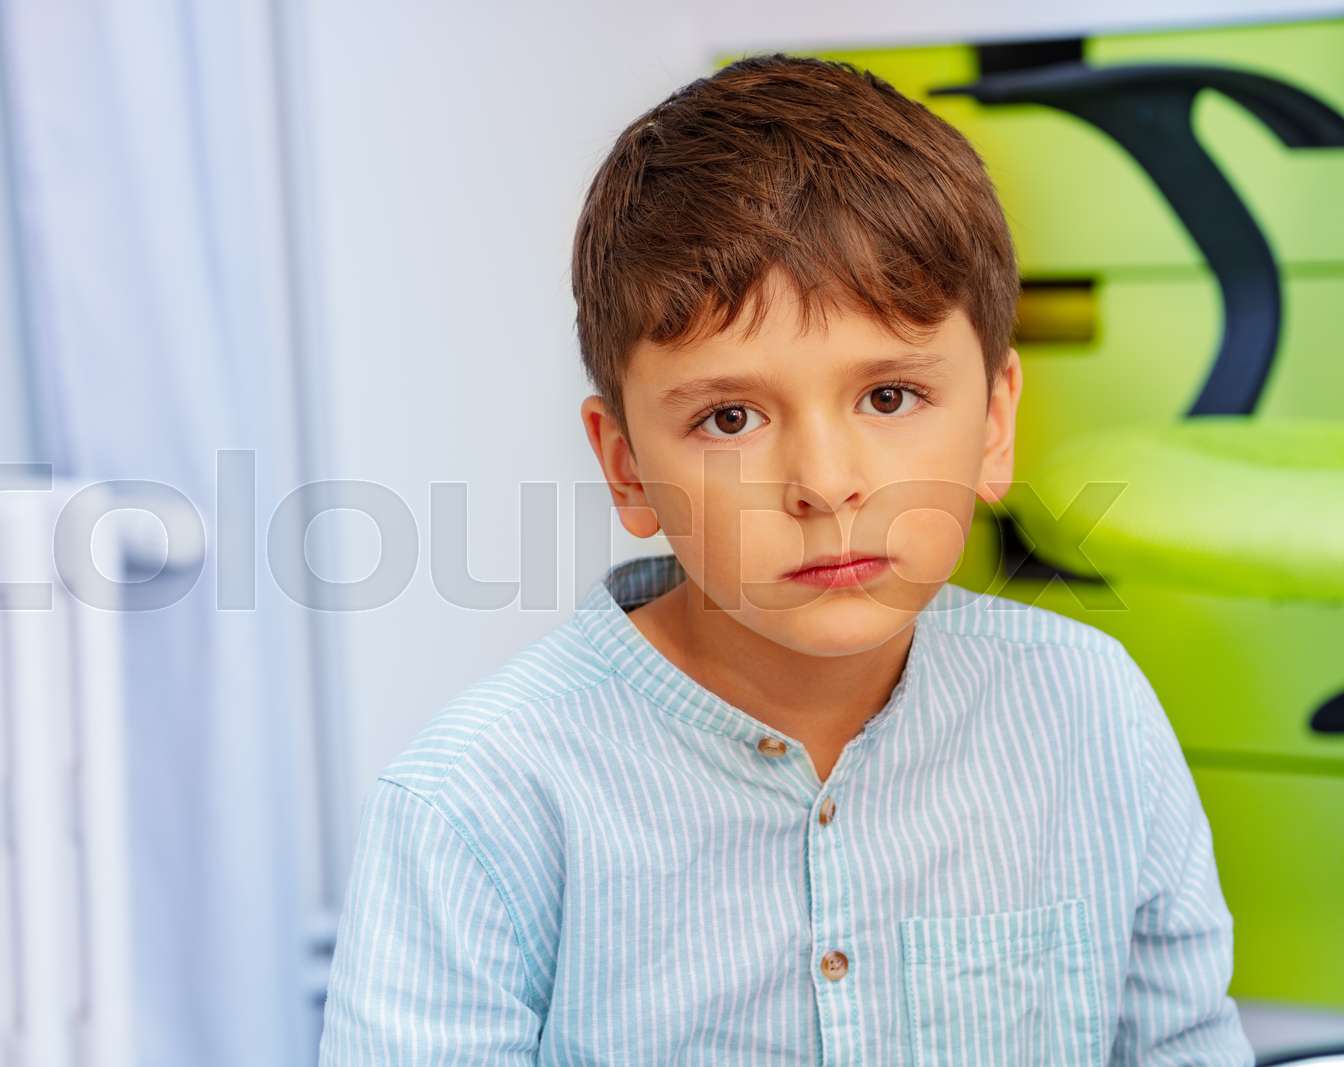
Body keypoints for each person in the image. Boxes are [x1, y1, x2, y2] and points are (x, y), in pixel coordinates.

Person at [319, 52, 1254, 1065]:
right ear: (626, 466)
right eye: (731, 416)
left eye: (888, 397)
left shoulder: (1088, 711)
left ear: (993, 422)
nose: (824, 480)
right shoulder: (478, 803)